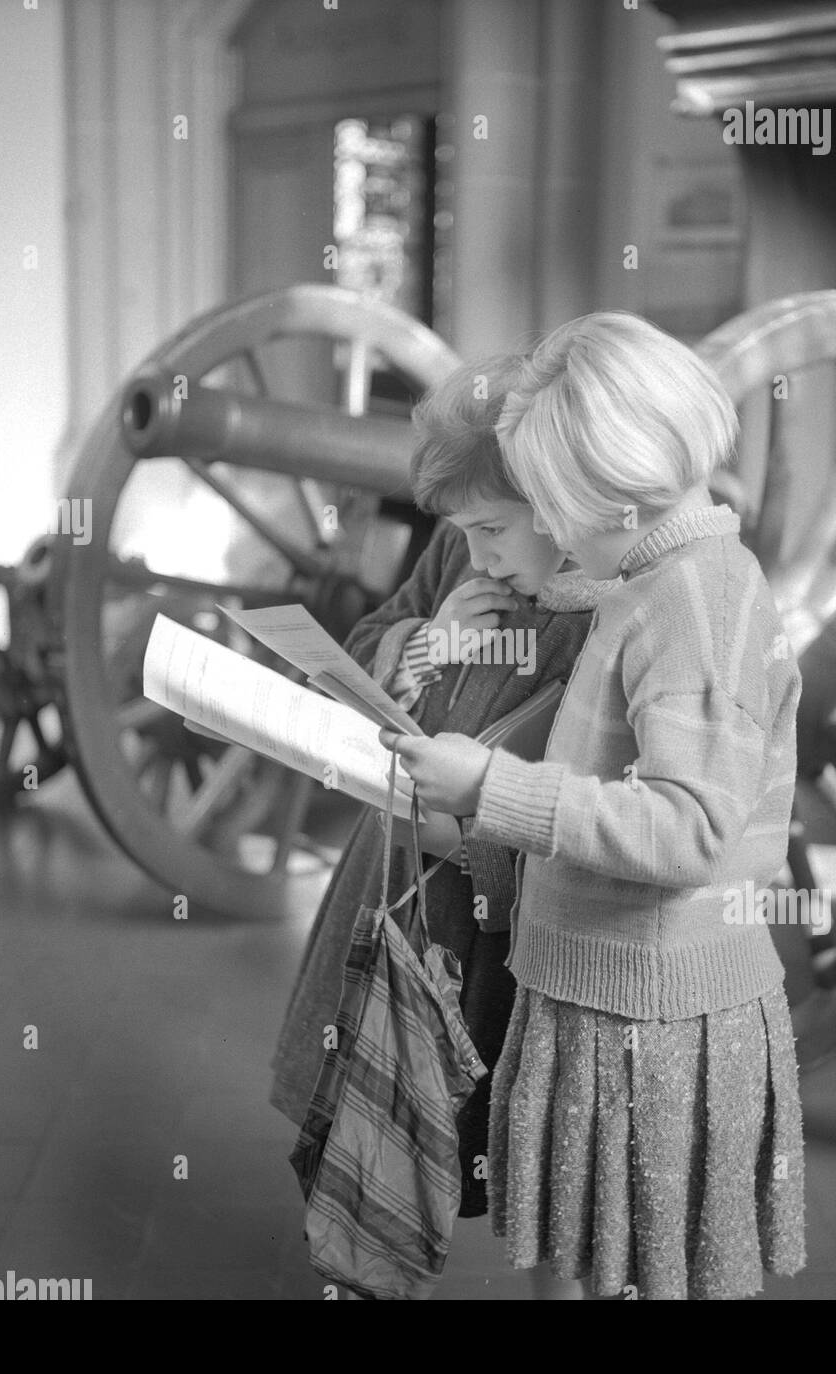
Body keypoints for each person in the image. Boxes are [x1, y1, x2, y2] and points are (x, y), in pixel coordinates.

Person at [382, 312, 806, 1300]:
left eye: (548, 505)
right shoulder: (655, 577)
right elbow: (618, 615)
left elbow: (688, 828)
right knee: (577, 1273)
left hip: (650, 1021)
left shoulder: (696, 602)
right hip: (603, 996)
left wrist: (490, 787)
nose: (548, 531)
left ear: (611, 492)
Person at [269, 351, 618, 1223]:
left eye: (492, 532)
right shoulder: (465, 543)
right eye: (459, 533)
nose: (474, 555)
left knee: (457, 1117)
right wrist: (422, 638)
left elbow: (592, 795)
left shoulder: (602, 613)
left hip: (488, 900)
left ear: (555, 502)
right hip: (388, 867)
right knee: (352, 1099)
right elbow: (373, 635)